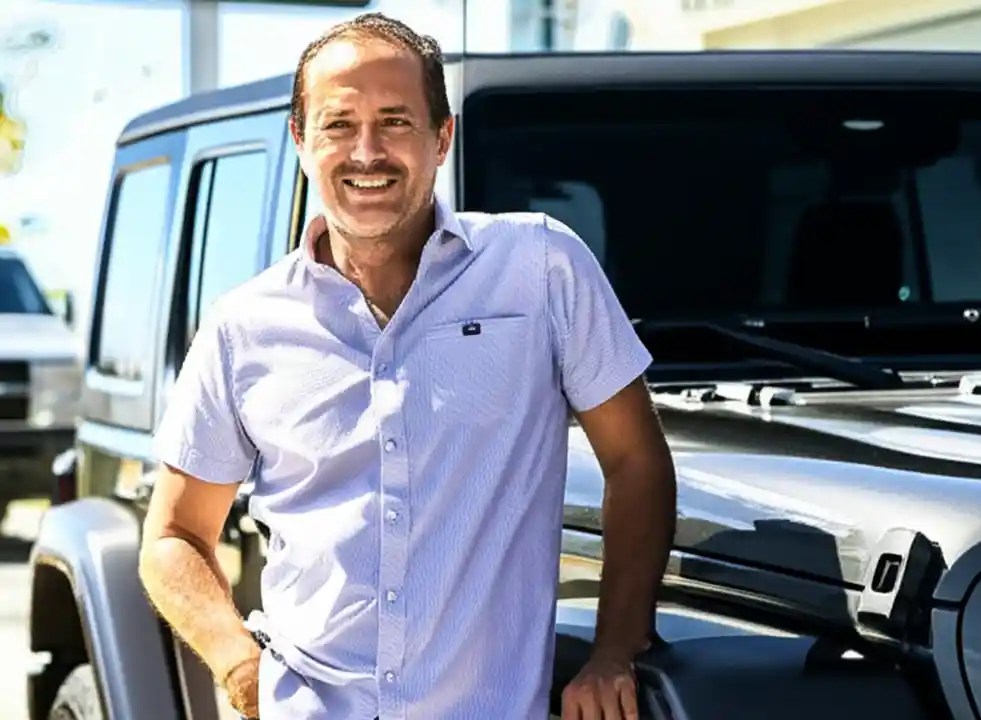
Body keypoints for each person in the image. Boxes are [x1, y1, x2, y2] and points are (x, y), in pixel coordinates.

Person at [137, 12, 677, 720]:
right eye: (338, 124)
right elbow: (174, 536)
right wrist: (243, 670)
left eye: (395, 121)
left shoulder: (541, 268)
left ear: (441, 138)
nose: (367, 151)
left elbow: (637, 461)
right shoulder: (244, 326)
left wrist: (612, 651)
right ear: (301, 139)